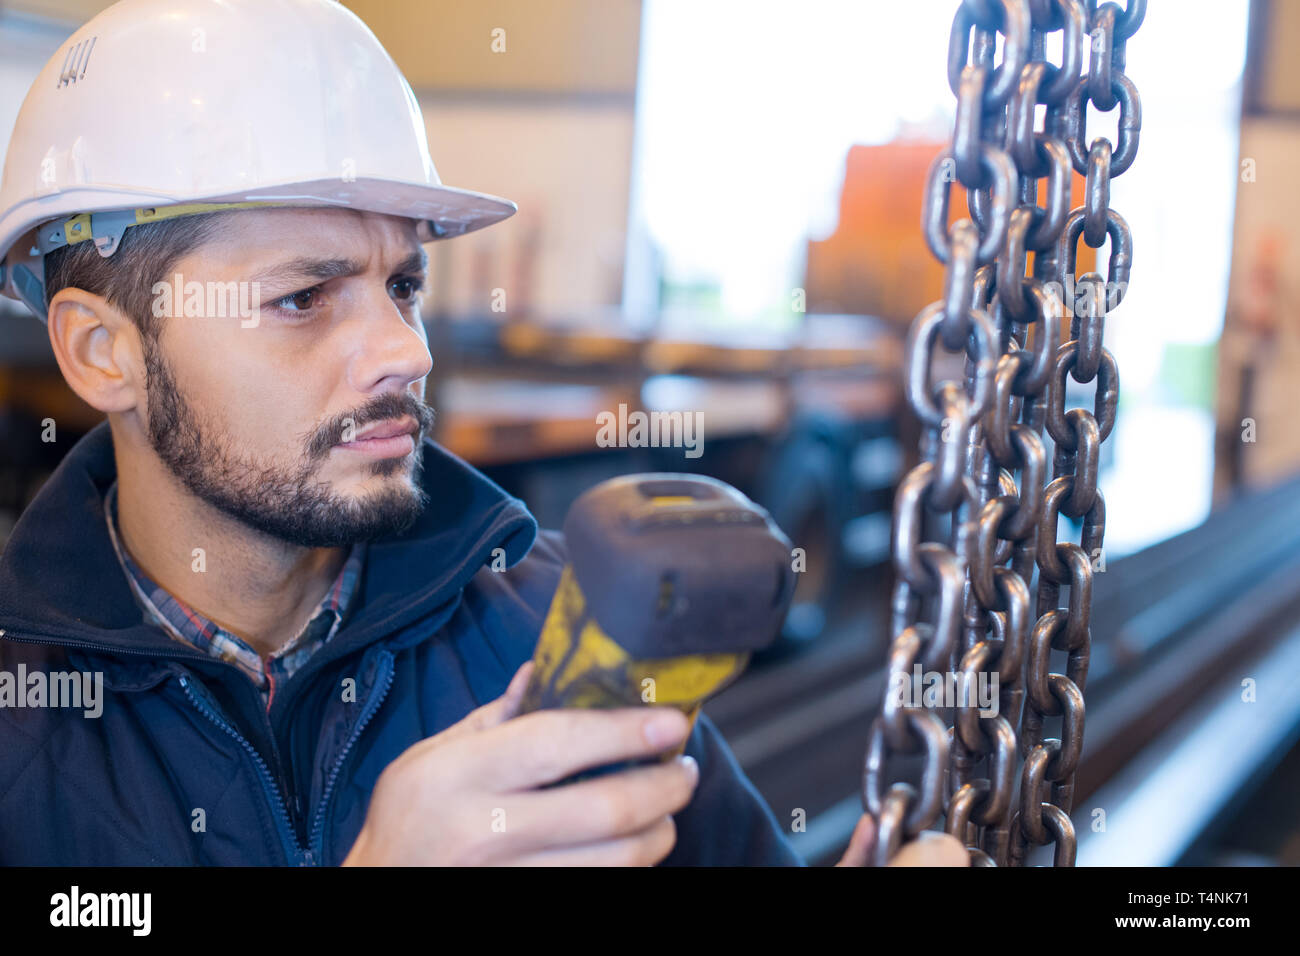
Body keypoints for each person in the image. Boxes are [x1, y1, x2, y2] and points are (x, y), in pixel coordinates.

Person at [0, 0, 966, 867]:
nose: (404, 352)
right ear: (100, 352)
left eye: (403, 287)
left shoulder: (564, 631)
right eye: (302, 298)